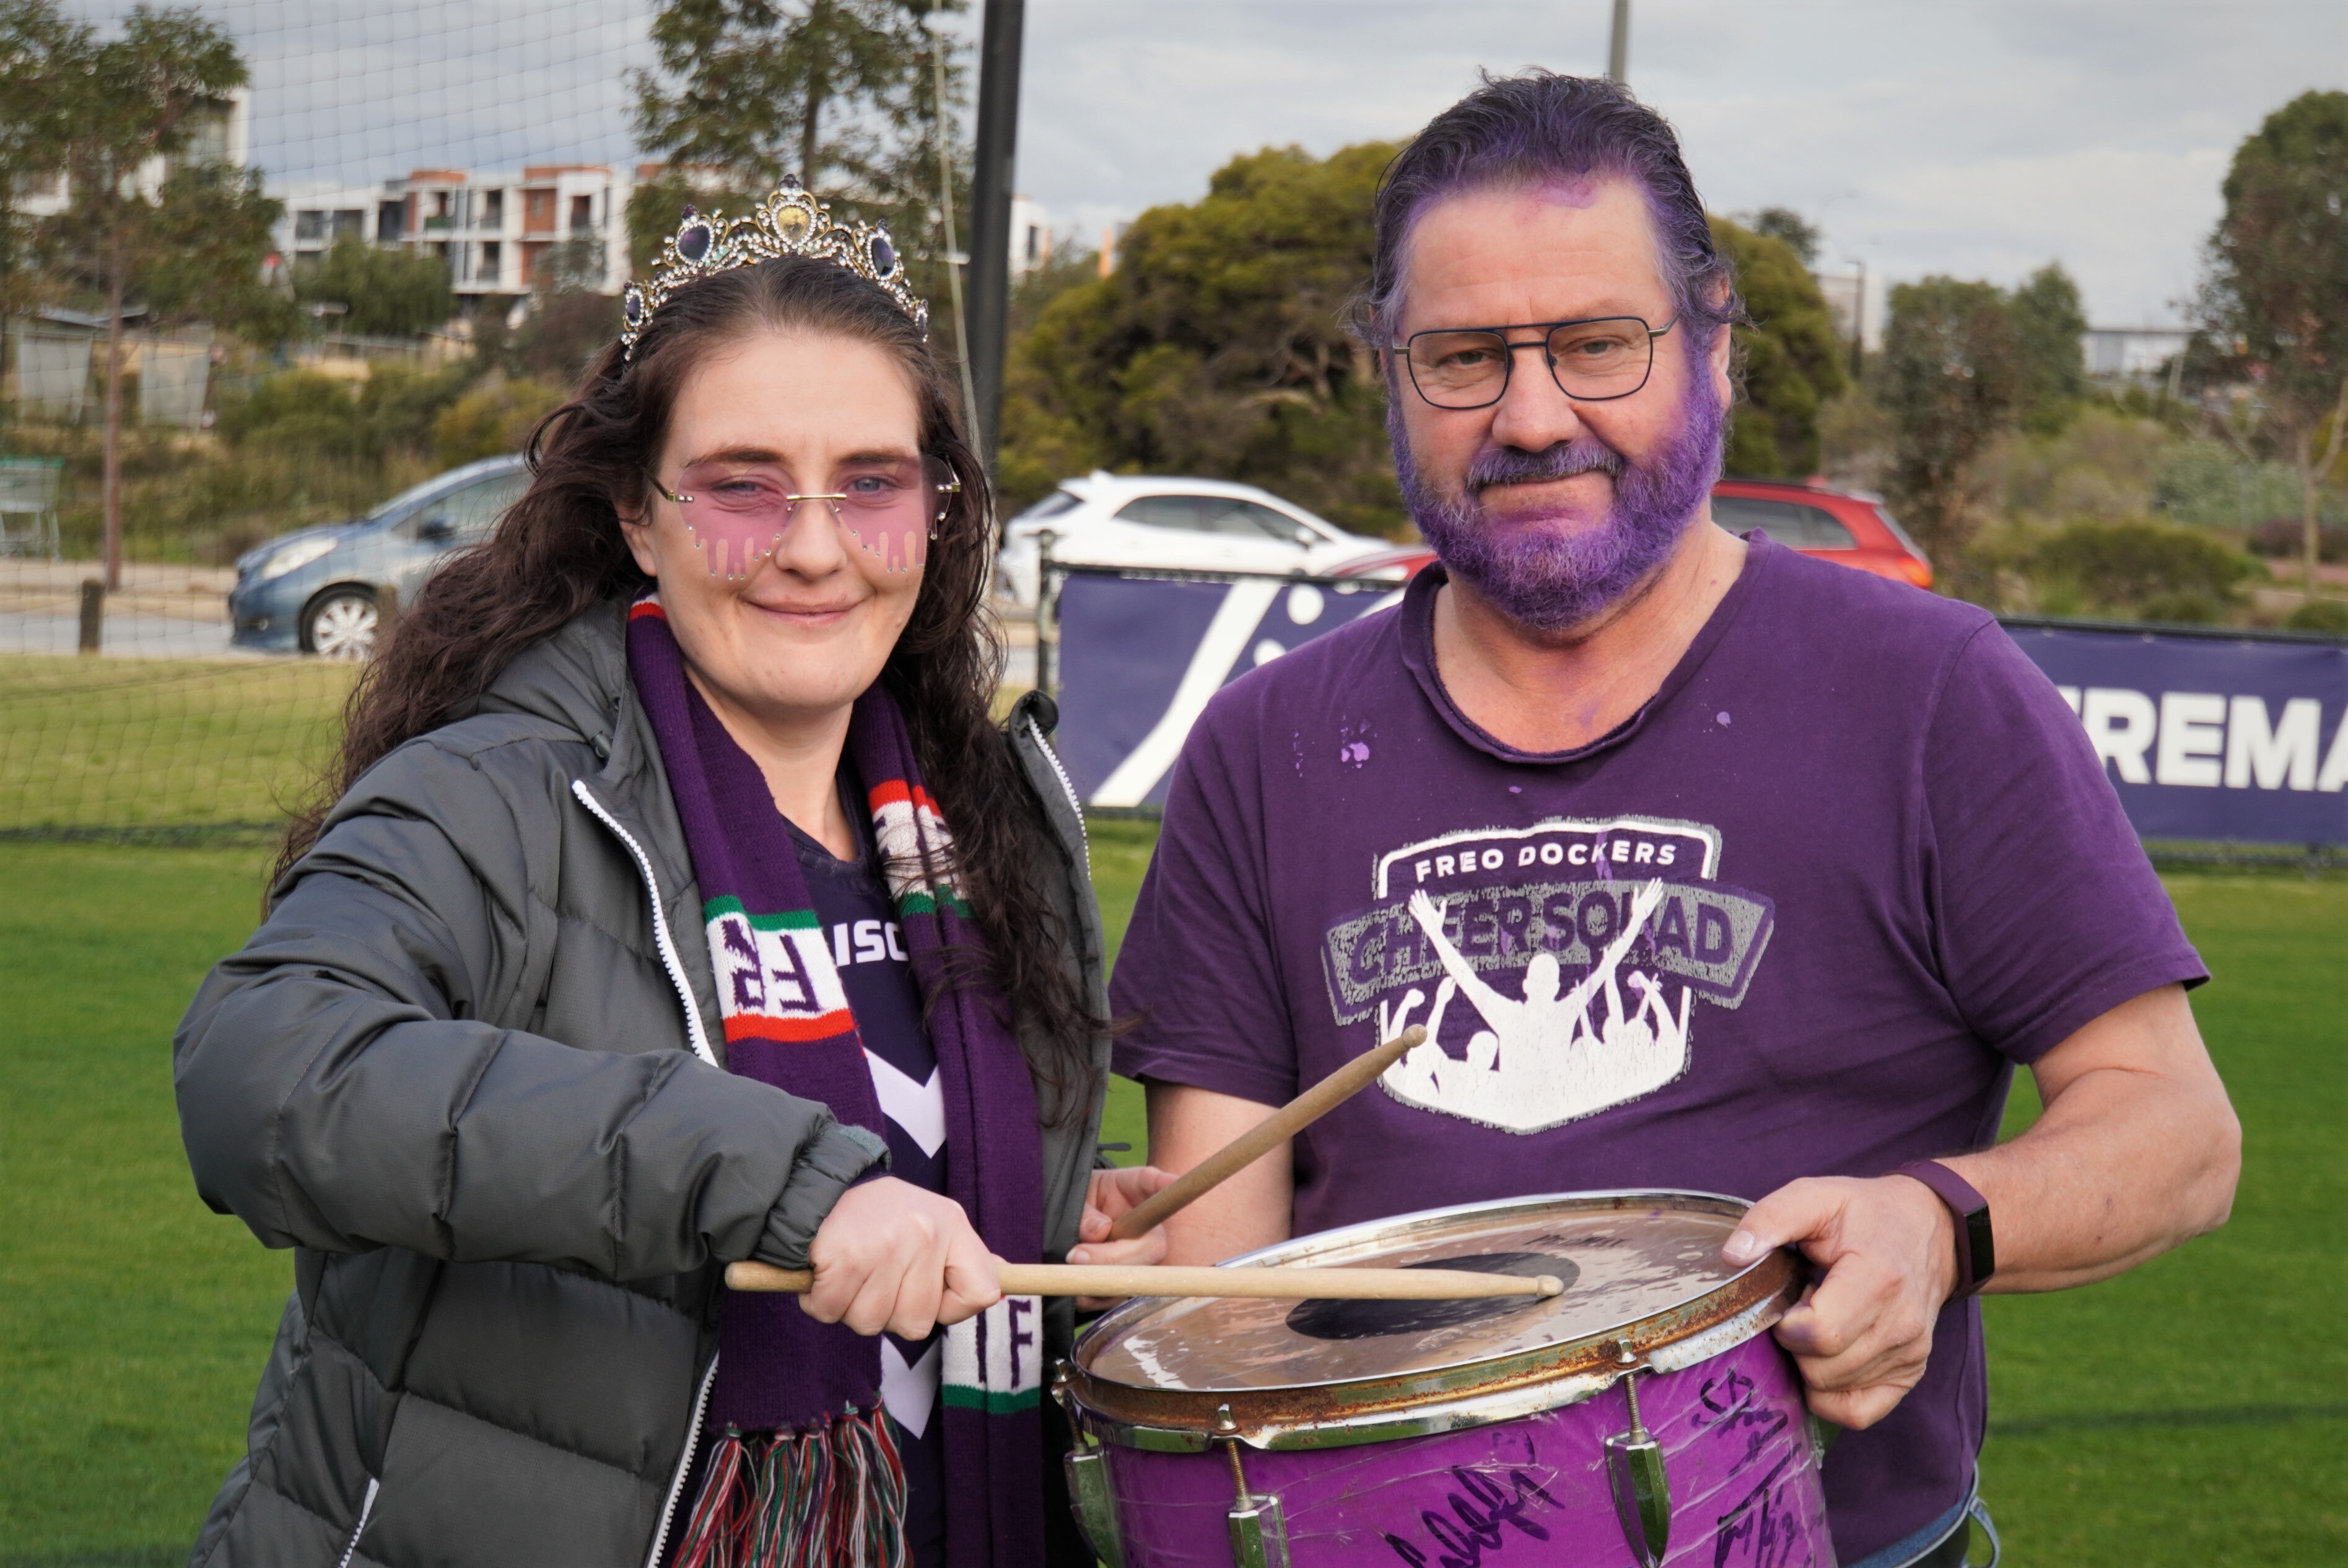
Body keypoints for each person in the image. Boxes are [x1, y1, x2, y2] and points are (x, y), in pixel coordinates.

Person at [1108, 72, 2241, 1568]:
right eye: (1461, 357)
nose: (1530, 416)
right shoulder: (1267, 745)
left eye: (1595, 344)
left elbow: (2176, 1130)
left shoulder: (1928, 691)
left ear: (1713, 344)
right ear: (1391, 371)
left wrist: (1938, 1222)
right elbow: (1228, 1269)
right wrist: (1166, 1287)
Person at [175, 183, 1169, 1568]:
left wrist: (1052, 1212)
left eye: (870, 484)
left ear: (936, 515)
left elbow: (915, 1220)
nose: (814, 547)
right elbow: (259, 1073)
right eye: (741, 487)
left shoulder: (983, 826)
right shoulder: (499, 786)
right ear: (638, 516)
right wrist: (773, 1174)